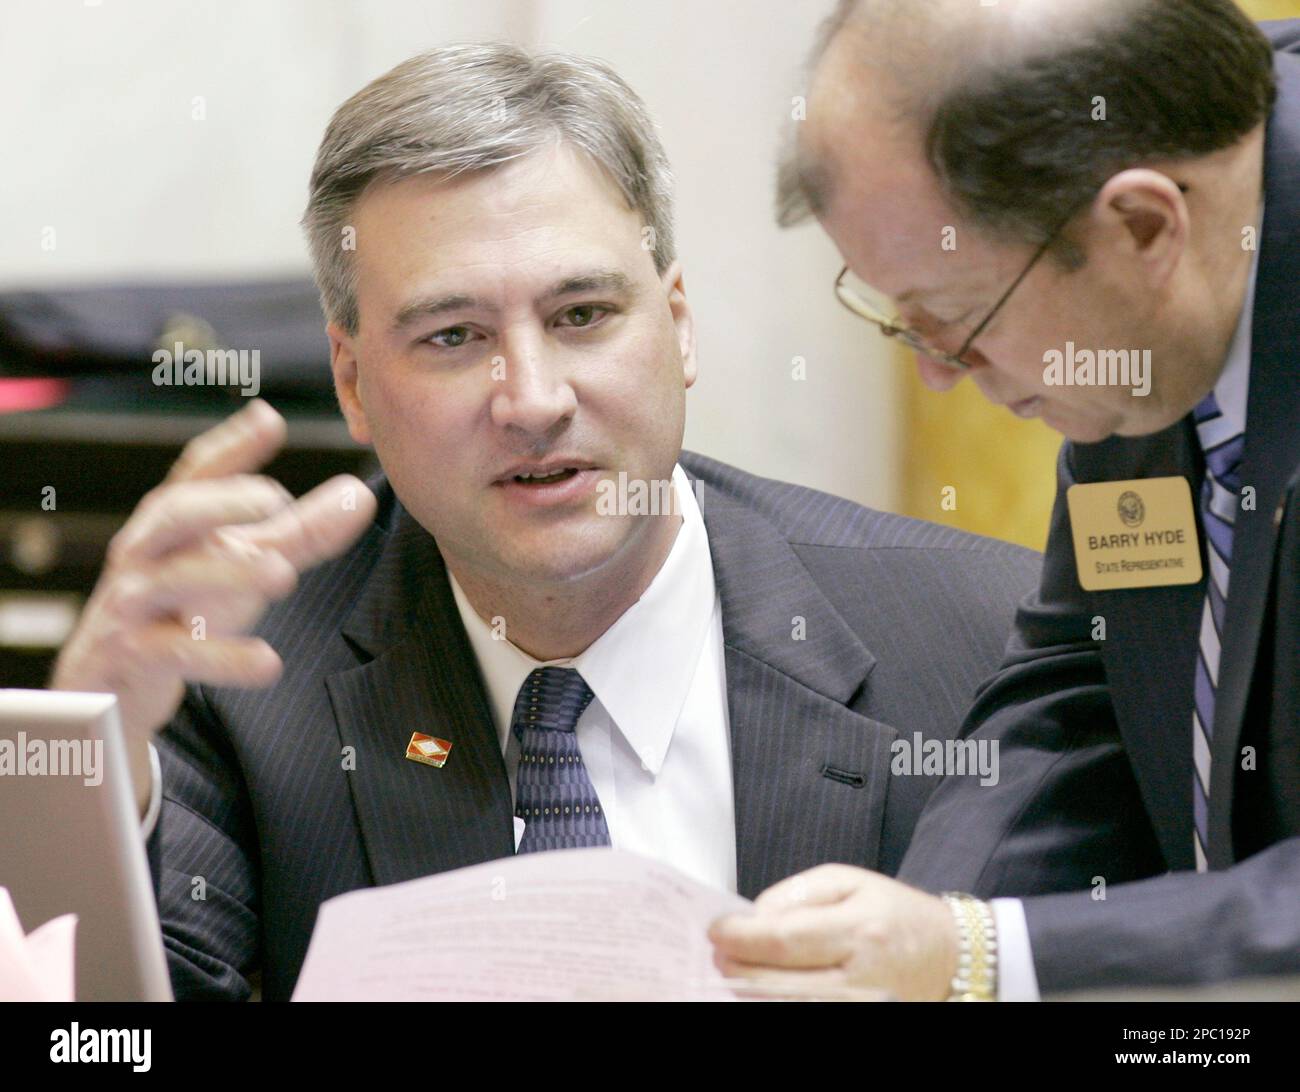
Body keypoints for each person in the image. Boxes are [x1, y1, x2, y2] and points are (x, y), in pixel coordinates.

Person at [50, 43, 1038, 1000]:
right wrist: (79, 764)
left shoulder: (982, 643)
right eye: (452, 336)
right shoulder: (237, 677)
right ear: (352, 383)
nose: (530, 399)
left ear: (678, 323)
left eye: (581, 316)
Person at [710, 0, 1300, 1000]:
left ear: (1143, 226)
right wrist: (921, 939)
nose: (940, 373)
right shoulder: (1142, 322)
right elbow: (1083, 675)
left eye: (956, 321)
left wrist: (985, 960)